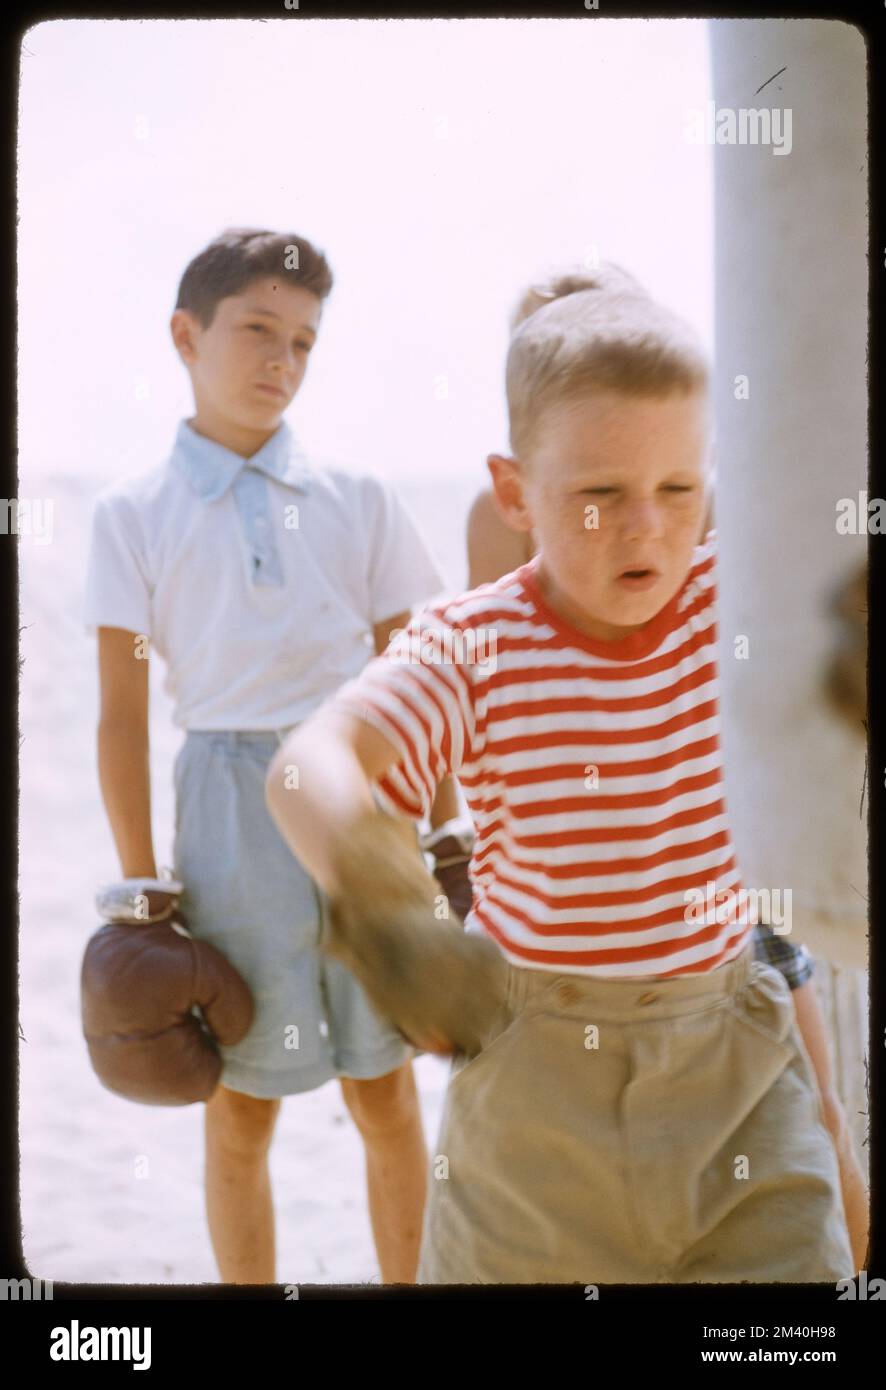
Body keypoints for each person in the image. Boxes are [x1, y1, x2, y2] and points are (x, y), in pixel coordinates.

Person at [265, 263, 858, 1283]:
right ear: (516, 493)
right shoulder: (473, 644)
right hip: (534, 1095)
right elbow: (306, 766)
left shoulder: (740, 598)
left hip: (731, 1060)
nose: (645, 528)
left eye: (679, 489)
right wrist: (376, 891)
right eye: (597, 496)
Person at [83, 227, 455, 1284]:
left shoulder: (358, 494)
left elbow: (417, 668)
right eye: (256, 331)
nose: (280, 361)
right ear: (185, 336)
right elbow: (121, 712)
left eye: (302, 342)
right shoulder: (131, 513)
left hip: (357, 794)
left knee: (383, 1090)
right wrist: (140, 881)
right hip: (224, 813)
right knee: (237, 1104)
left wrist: (443, 832)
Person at [465, 438, 869, 1277]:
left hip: (723, 874)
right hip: (589, 922)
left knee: (818, 1111)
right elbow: (512, 710)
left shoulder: (695, 509)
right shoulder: (500, 532)